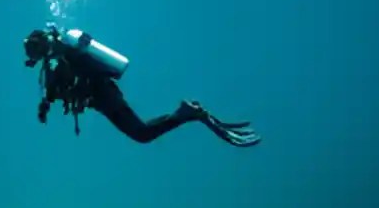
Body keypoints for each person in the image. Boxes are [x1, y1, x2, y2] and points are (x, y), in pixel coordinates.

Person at [23, 26, 260, 147]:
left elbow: (62, 84)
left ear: (41, 46)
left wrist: (46, 104)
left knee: (142, 134)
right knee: (142, 133)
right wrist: (44, 104)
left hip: (105, 97)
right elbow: (56, 90)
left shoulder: (60, 60)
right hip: (103, 98)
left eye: (32, 51)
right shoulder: (57, 61)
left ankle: (187, 113)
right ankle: (185, 113)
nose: (31, 57)